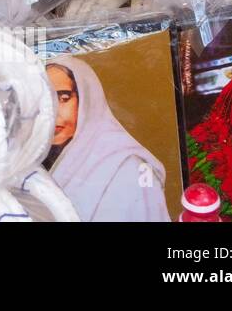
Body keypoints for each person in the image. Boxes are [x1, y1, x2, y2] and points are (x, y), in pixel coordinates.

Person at [43, 57, 170, 222]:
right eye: (44, 100)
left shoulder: (128, 166)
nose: (53, 112)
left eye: (63, 98)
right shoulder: (30, 163)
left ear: (87, 101)